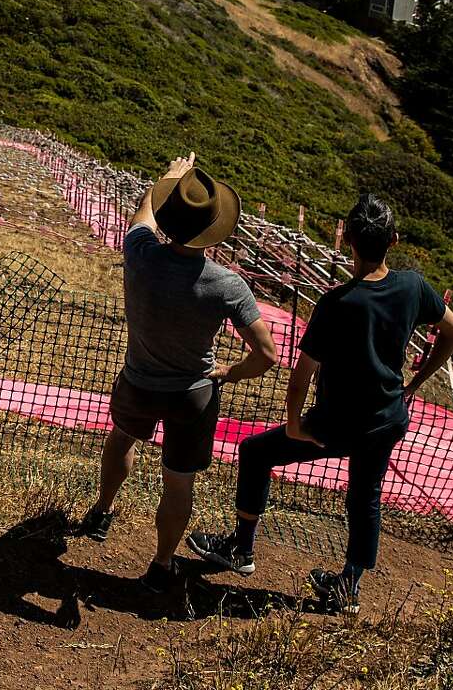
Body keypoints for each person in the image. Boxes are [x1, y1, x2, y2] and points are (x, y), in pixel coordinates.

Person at [189, 194, 453, 615]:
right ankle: (347, 586)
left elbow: (301, 376)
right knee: (365, 496)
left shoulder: (337, 302)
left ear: (348, 241)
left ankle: (241, 549)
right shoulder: (414, 287)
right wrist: (414, 384)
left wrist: (296, 423)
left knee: (255, 452)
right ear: (393, 240)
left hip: (336, 421)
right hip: (387, 418)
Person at [75, 153, 279, 593]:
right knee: (178, 482)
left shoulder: (140, 254)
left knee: (121, 440)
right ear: (215, 227)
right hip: (194, 392)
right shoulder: (227, 284)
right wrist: (230, 372)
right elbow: (267, 354)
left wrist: (168, 177)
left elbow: (141, 217)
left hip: (139, 380)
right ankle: (162, 563)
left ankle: (102, 511)